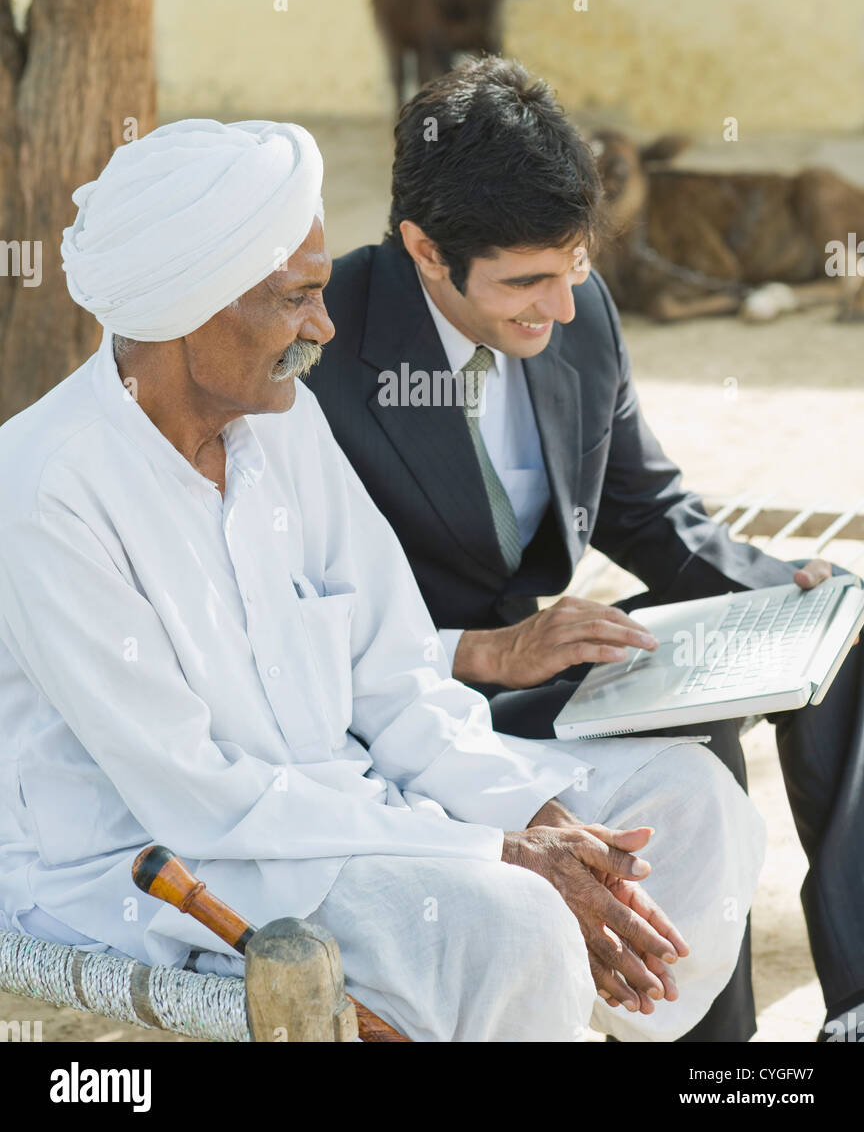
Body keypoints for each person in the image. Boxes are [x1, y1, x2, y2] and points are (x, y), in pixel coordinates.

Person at [0, 117, 762, 1043]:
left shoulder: (282, 423)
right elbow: (197, 797)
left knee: (690, 803)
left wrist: (533, 809)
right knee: (512, 923)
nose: (323, 327)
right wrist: (498, 850)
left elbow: (395, 679)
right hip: (168, 871)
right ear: (191, 308)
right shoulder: (46, 489)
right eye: (298, 299)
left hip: (350, 810)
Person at [305, 56, 864, 1043]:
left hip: (548, 657)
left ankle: (855, 998)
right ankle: (710, 1047)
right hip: (413, 699)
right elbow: (279, 617)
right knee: (695, 744)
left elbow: (643, 509)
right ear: (424, 249)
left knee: (842, 623)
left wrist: (782, 590)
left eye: (574, 270)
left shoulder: (579, 301)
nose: (561, 310)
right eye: (526, 283)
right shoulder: (320, 349)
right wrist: (481, 650)